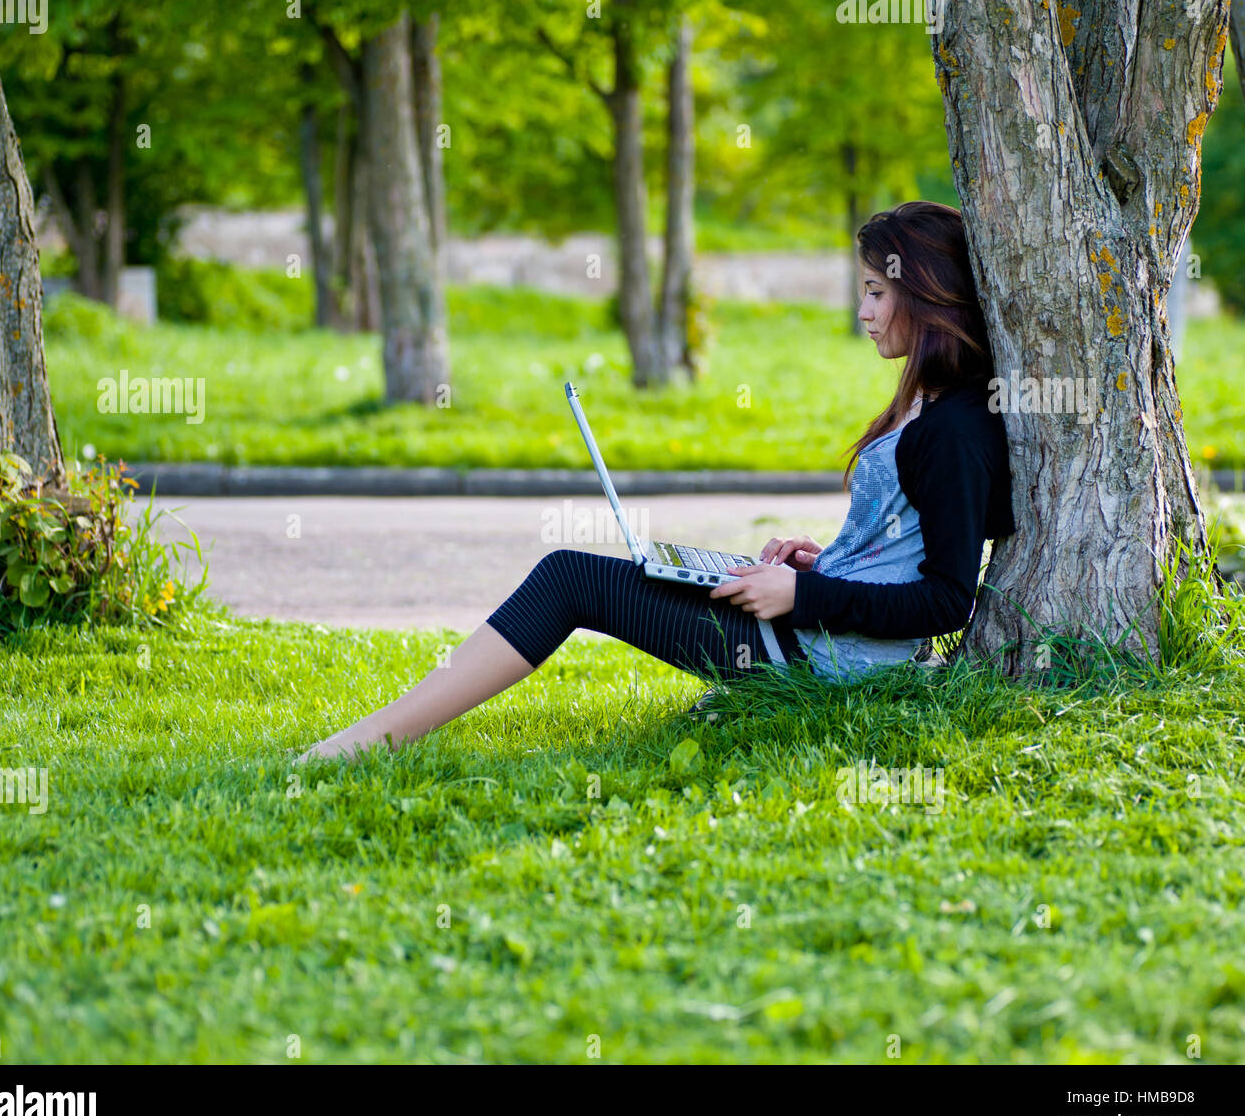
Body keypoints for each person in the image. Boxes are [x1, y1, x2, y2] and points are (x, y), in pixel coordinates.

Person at [293, 201, 1014, 764]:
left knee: (571, 579)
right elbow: (904, 548)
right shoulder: (925, 407)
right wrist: (816, 563)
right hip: (812, 628)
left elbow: (947, 599)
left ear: (927, 296)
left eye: (877, 293)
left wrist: (804, 595)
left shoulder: (952, 431)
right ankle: (379, 733)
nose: (863, 311)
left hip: (820, 656)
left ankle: (373, 740)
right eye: (864, 291)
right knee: (607, 572)